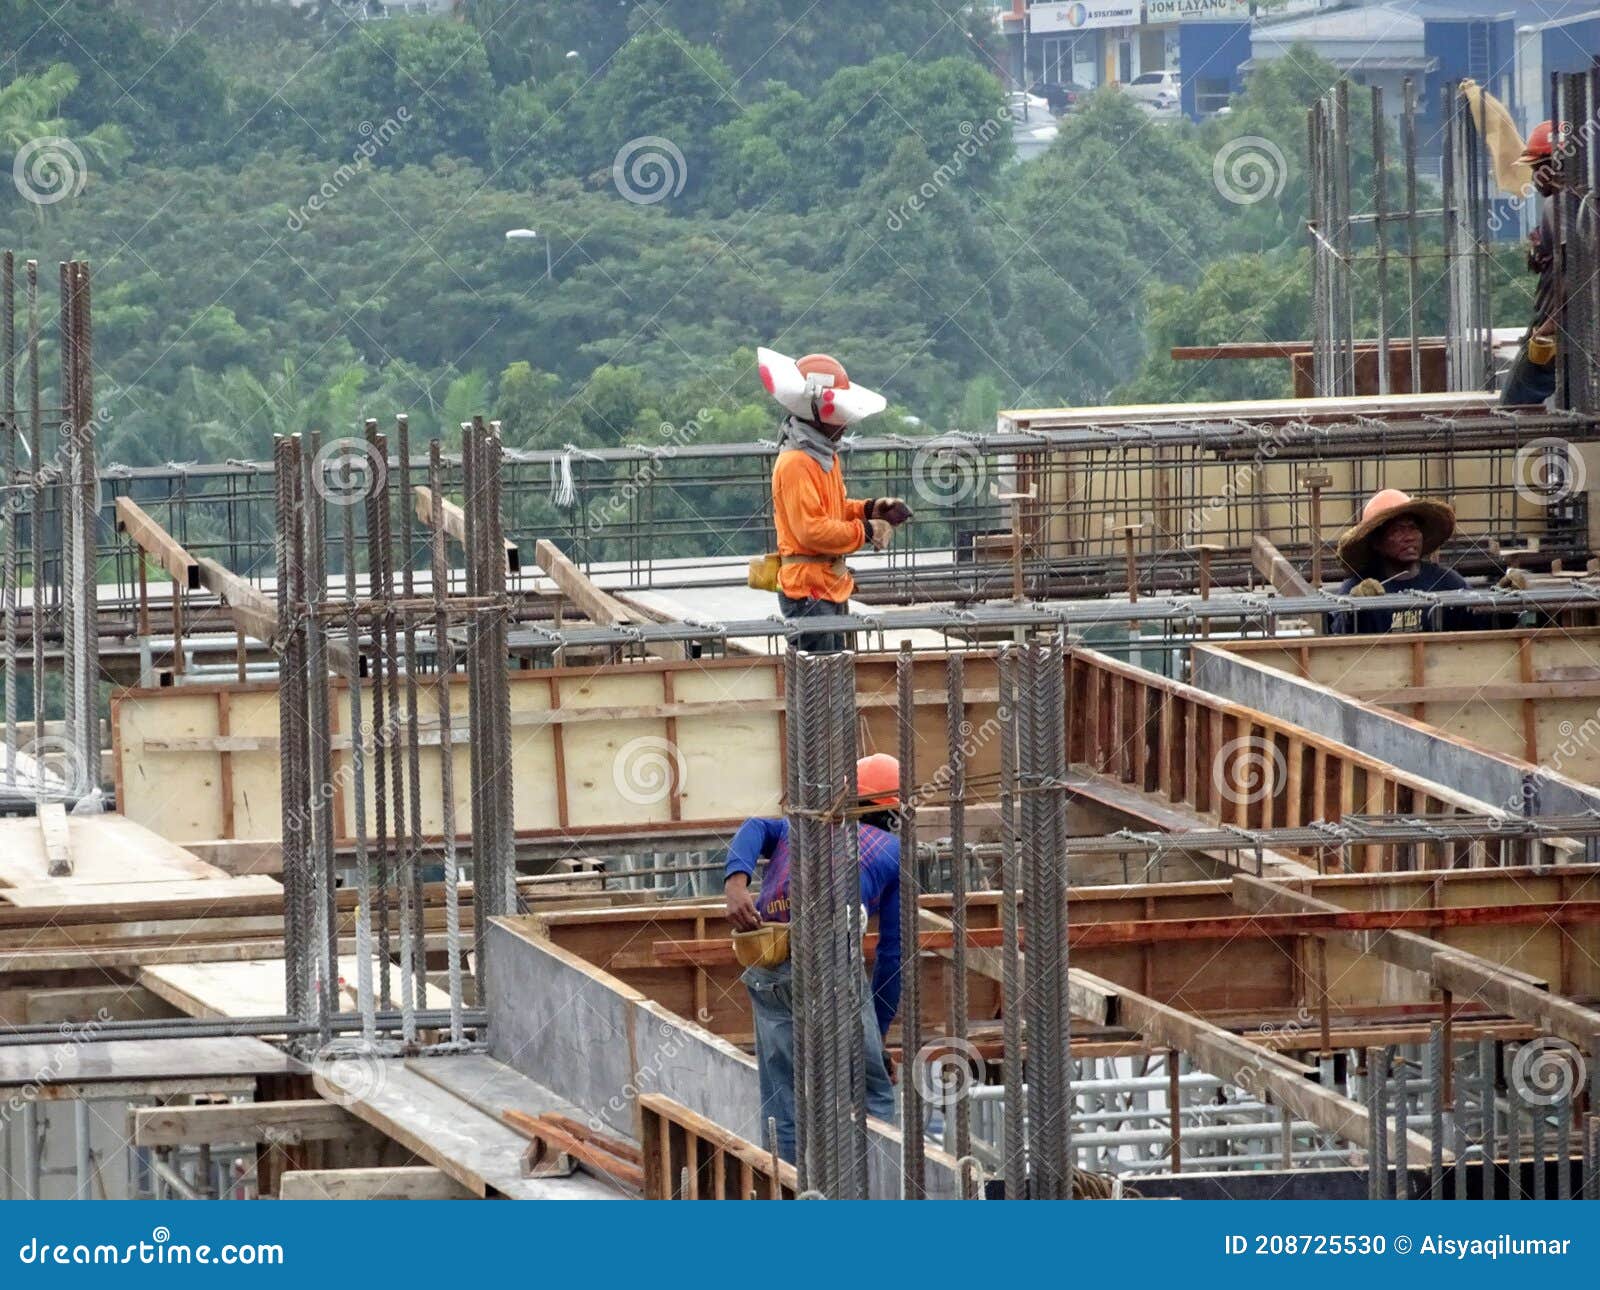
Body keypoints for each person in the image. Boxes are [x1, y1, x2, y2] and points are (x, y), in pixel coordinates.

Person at [722, 753, 902, 1163]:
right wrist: (878, 1035)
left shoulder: (800, 828)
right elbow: (892, 956)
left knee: (784, 1097)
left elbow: (753, 827)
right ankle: (873, 1194)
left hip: (767, 966)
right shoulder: (893, 850)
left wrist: (736, 881)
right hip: (832, 971)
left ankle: (787, 1193)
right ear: (891, 810)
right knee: (872, 1091)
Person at [758, 347, 912, 651]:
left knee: (834, 676)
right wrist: (866, 531)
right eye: (837, 415)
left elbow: (834, 509)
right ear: (814, 410)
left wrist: (872, 508)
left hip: (827, 585)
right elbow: (811, 531)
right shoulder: (796, 463)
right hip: (807, 592)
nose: (844, 423)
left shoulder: (822, 455)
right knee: (820, 681)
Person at [1327, 488, 1516, 634]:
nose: (1409, 537)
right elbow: (1338, 638)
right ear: (1376, 542)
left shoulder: (1448, 583)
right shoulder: (1359, 588)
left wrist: (1506, 605)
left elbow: (1484, 628)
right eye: (1397, 530)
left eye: (1413, 528)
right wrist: (1354, 610)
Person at [1501, 120, 1564, 407]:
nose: (1535, 177)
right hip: (1570, 328)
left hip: (1555, 328)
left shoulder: (1558, 206)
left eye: (1539, 167)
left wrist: (1551, 324)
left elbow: (1575, 271)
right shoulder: (1577, 205)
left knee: (1514, 405)